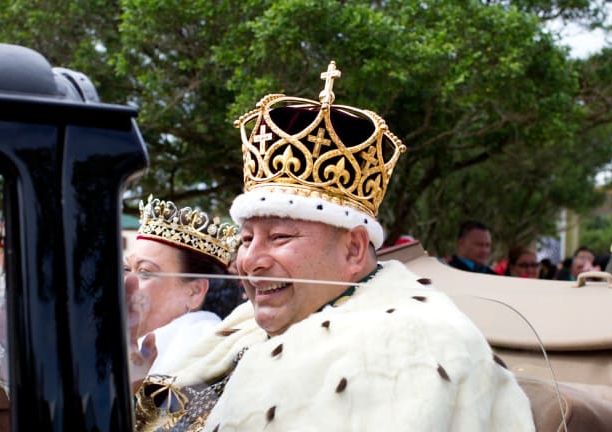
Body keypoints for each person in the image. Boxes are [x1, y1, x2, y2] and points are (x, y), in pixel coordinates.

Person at [133, 62, 534, 431]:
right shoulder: (240, 326)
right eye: (246, 238)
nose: (250, 260)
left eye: (279, 237)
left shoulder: (415, 351)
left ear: (354, 249)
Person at [125, 196, 242, 386]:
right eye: (126, 268)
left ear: (194, 292)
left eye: (145, 272)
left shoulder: (208, 358)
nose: (127, 282)